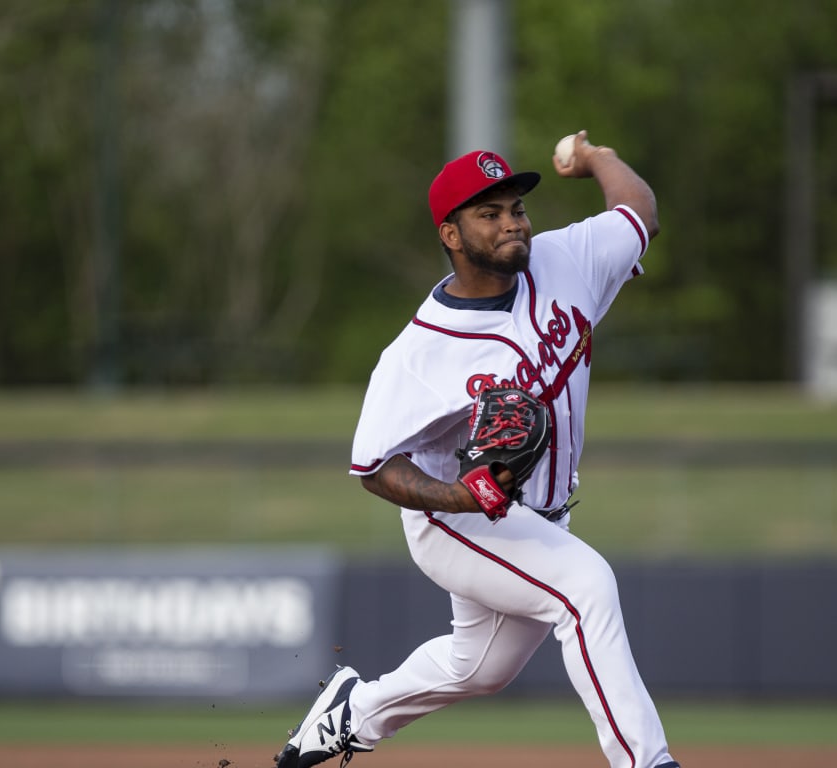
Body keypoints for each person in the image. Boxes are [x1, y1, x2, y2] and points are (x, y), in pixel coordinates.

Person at [273, 132, 679, 768]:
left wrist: (598, 158)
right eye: (487, 214)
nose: (511, 222)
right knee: (586, 587)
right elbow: (374, 467)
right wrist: (455, 496)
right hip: (457, 519)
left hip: (540, 515)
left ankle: (352, 714)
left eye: (515, 208)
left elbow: (638, 214)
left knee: (479, 668)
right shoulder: (419, 352)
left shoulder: (563, 259)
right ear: (451, 236)